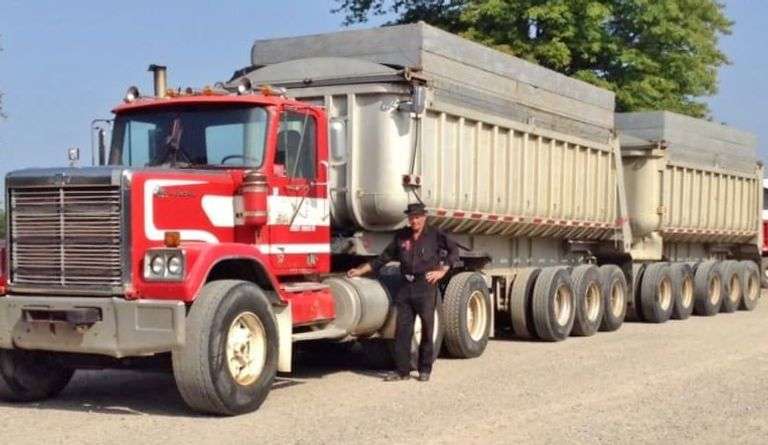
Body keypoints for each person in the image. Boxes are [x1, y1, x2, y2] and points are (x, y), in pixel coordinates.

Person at [347, 203, 459, 382]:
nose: (414, 220)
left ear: (424, 217)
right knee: (402, 331)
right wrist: (360, 271)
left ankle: (424, 369)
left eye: (417, 217)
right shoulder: (402, 236)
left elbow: (454, 251)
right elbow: (383, 258)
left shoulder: (435, 235)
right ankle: (402, 371)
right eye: (411, 217)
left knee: (427, 330)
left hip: (425, 286)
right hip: (405, 287)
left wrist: (442, 270)